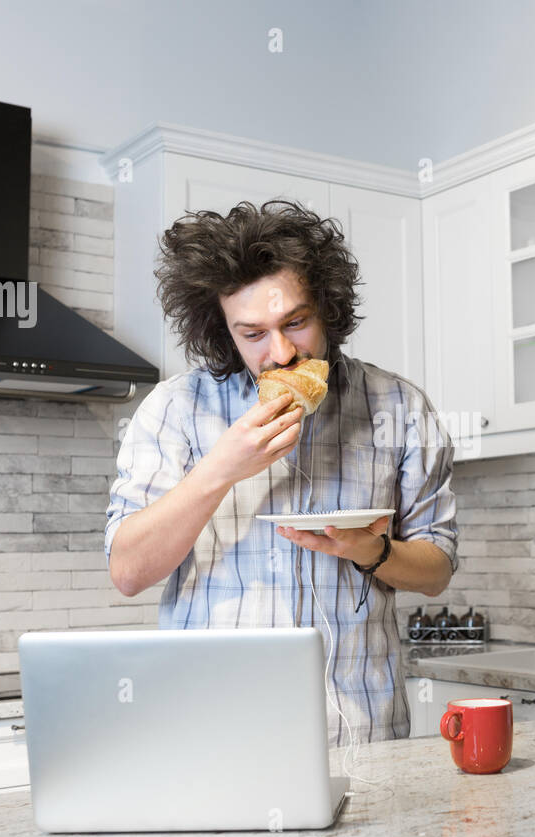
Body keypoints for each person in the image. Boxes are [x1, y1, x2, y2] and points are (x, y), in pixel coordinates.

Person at [104, 199, 458, 744]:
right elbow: (128, 572)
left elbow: (436, 571)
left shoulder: (399, 407)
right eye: (253, 334)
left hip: (362, 729)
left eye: (297, 321)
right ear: (222, 330)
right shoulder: (174, 409)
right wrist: (220, 470)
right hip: (211, 736)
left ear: (328, 308)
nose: (283, 351)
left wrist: (372, 550)